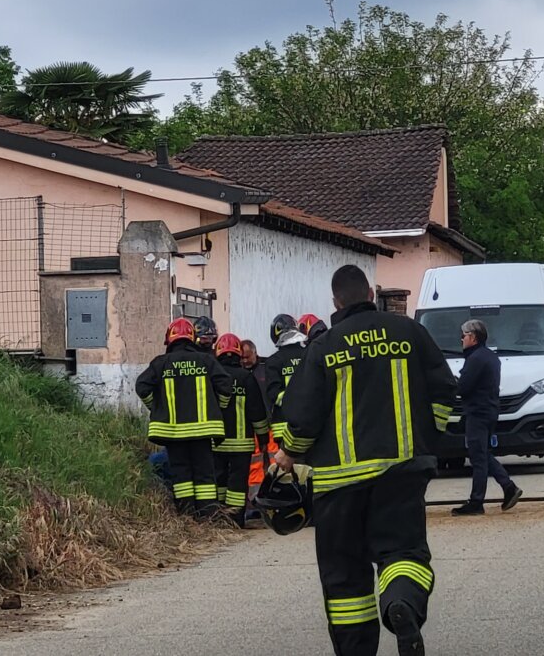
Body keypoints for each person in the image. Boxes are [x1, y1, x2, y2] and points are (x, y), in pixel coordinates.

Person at [276, 265, 458, 656]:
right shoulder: (409, 333)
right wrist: (427, 439)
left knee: (345, 578)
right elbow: (445, 391)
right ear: (371, 295)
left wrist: (287, 453)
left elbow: (302, 418)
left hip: (337, 488)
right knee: (403, 554)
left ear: (336, 302)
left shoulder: (324, 347)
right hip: (402, 475)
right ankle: (400, 605)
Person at [136, 318, 233, 517]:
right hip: (204, 431)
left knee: (181, 474)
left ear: (169, 340)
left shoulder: (160, 363)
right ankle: (207, 516)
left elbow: (142, 387)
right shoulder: (206, 360)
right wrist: (218, 409)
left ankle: (187, 515)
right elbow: (225, 386)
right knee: (205, 473)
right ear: (192, 338)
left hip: (174, 433)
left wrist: (156, 408)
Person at [452, 318, 521, 517]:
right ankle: (508, 487)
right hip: (489, 411)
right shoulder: (490, 357)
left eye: (463, 335)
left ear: (473, 338)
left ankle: (476, 501)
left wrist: (452, 382)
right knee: (482, 453)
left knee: (478, 457)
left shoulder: (476, 359)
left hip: (478, 412)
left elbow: (464, 388)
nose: (461, 339)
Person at [211, 333, 268, 527]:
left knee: (219, 479)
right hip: (241, 444)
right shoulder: (246, 377)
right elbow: (257, 412)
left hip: (216, 442)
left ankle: (219, 517)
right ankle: (235, 519)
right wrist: (262, 438)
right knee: (237, 482)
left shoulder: (213, 376)